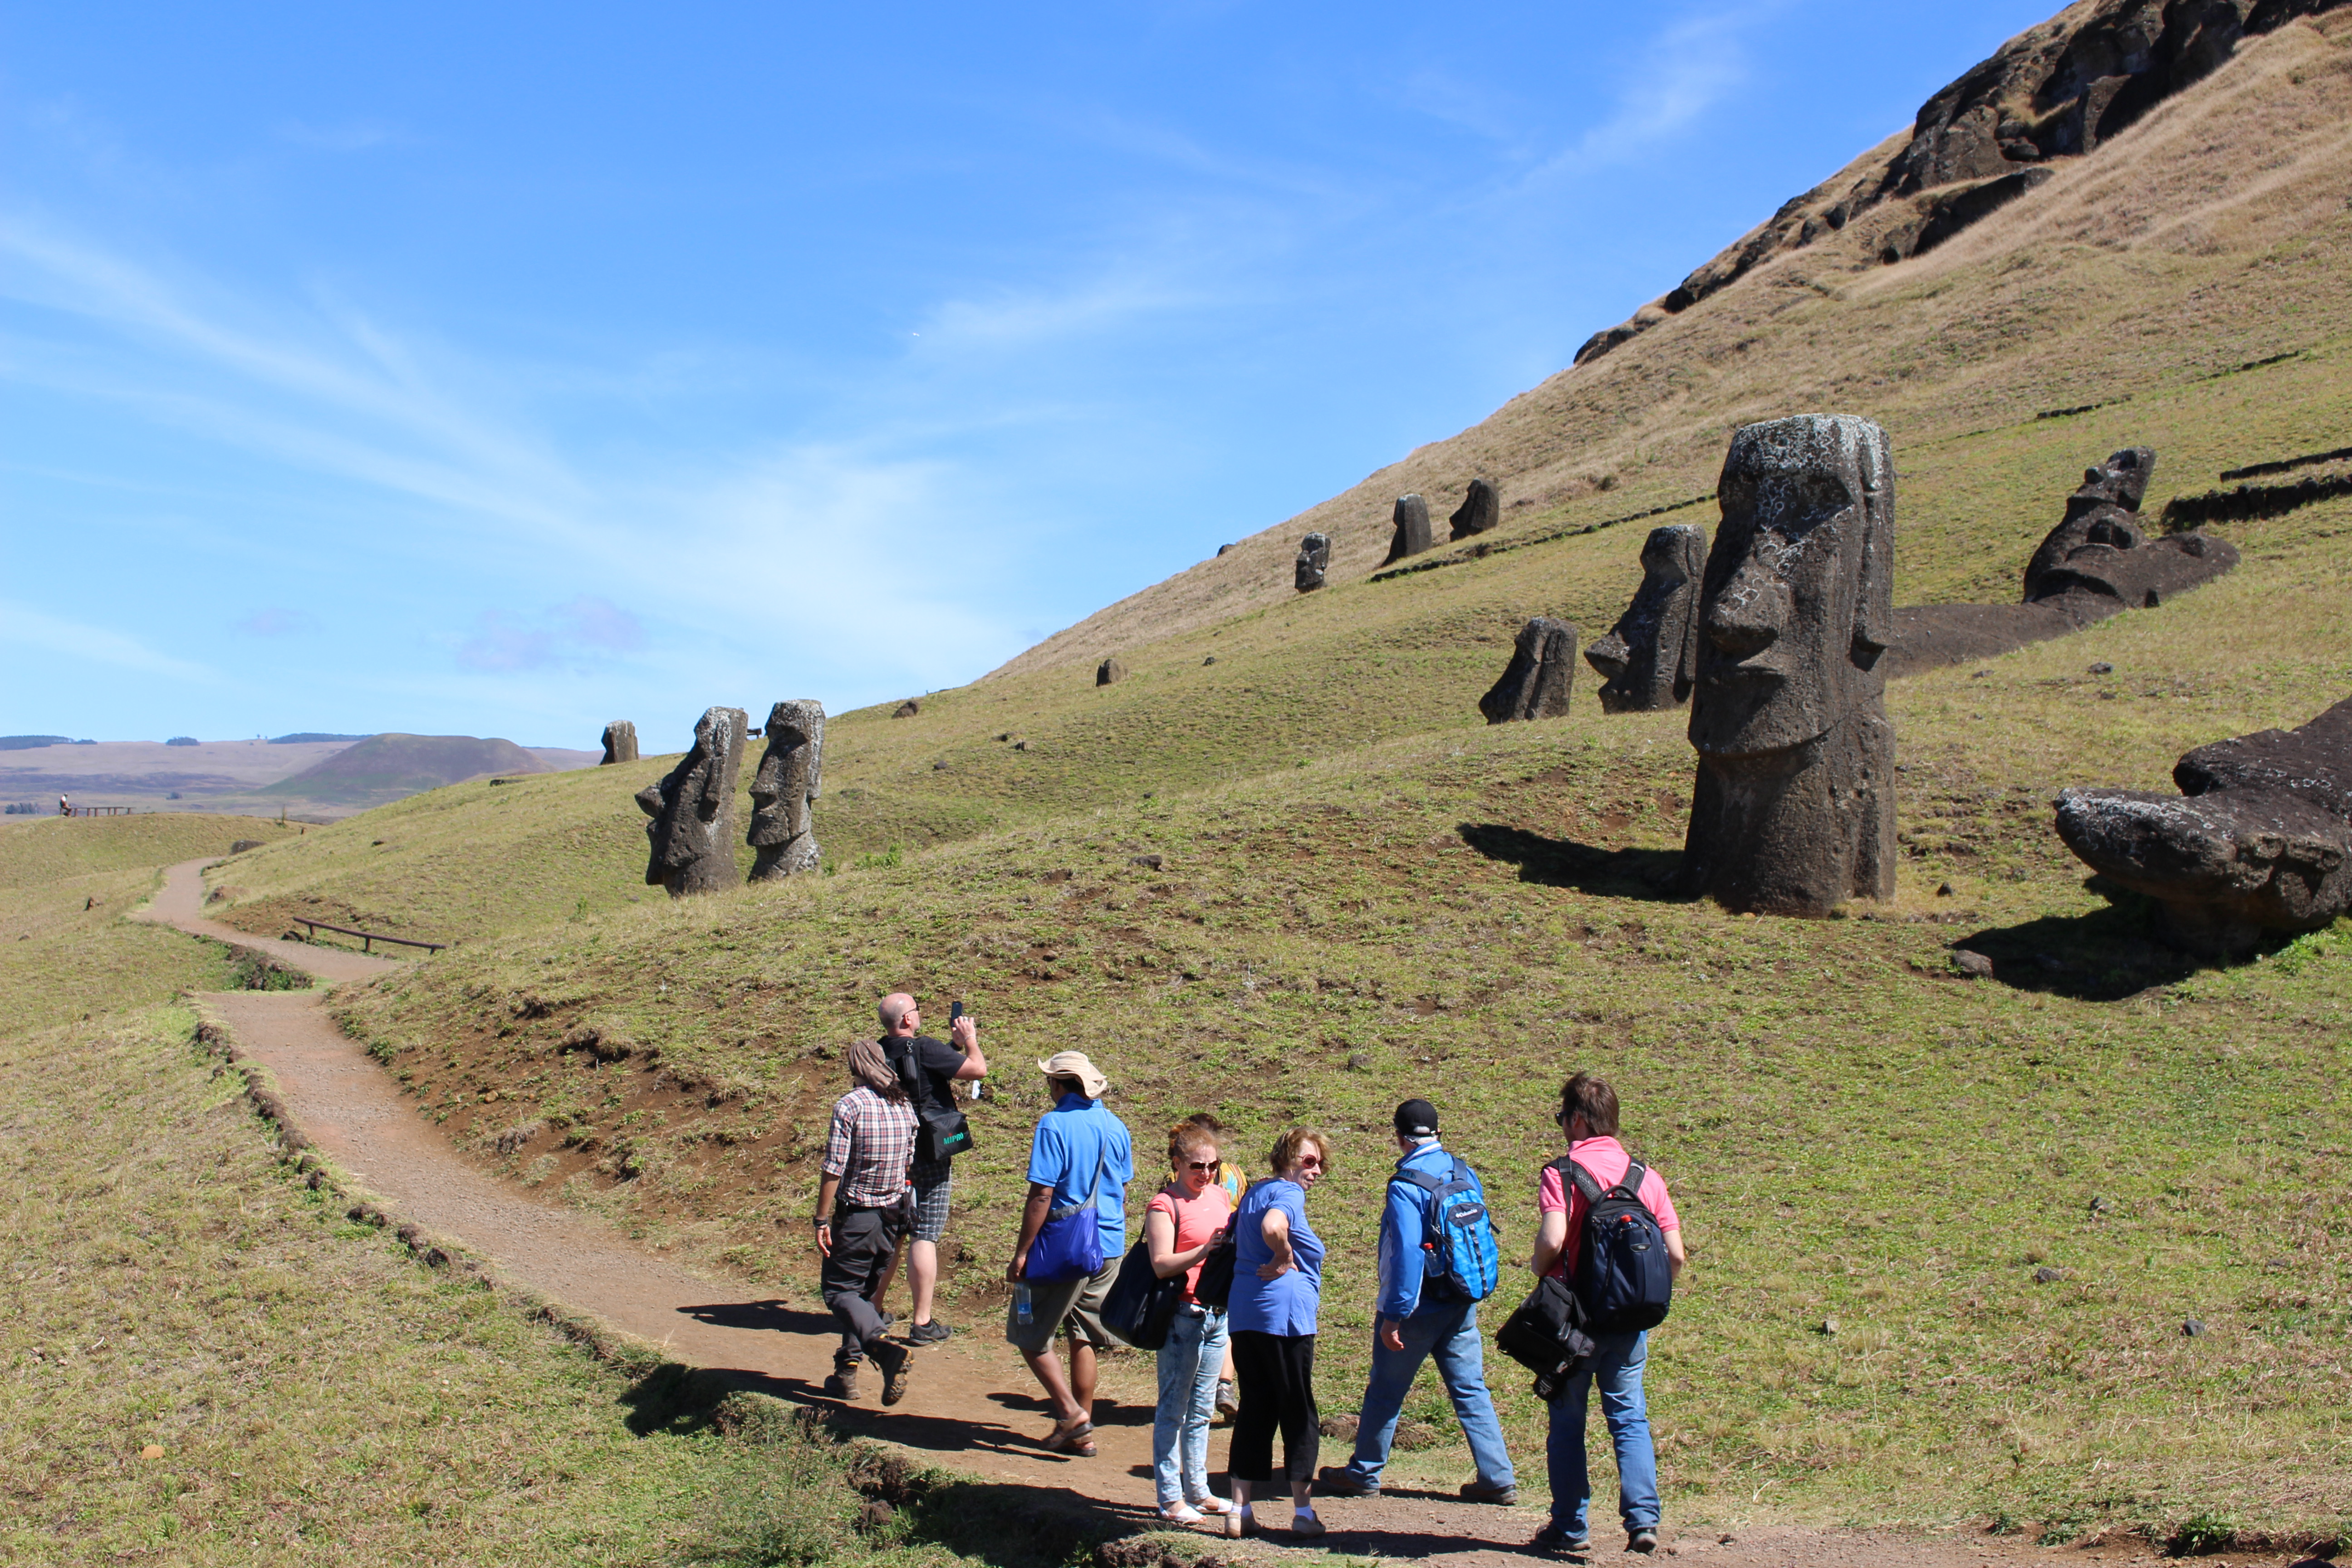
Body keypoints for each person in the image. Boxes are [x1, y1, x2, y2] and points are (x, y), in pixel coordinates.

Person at [1320, 1098, 1516, 1504]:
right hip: (1462, 1299)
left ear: (1400, 1137)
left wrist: (1395, 1314)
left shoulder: (1407, 1184)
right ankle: (1498, 1478)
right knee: (1471, 1388)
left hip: (1420, 1306)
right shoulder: (1463, 1171)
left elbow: (1408, 1252)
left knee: (1387, 1389)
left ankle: (1363, 1473)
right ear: (1437, 1132)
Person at [1528, 1072, 1686, 1558]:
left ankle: (1570, 1526)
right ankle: (1642, 1521)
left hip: (1574, 1320)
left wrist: (1540, 1269)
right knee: (1629, 1418)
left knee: (1568, 1420)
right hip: (1628, 1322)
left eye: (1562, 1118)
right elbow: (1676, 1255)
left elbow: (1554, 1240)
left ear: (1577, 1119)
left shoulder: (1562, 1172)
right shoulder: (1645, 1176)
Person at [1005, 1050, 1133, 1456]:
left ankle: (1070, 1414)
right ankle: (1083, 1431)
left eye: (1051, 1081)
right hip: (1109, 1245)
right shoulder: (1116, 1126)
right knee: (1083, 1338)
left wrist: (1023, 1252)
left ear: (1061, 1085)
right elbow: (1122, 1187)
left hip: (1066, 1248)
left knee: (1028, 1334)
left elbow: (1042, 1194)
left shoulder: (1054, 1124)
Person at [1223, 1126, 1329, 1540]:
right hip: (1285, 1319)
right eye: (1308, 1160)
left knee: (1255, 1407)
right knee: (1298, 1410)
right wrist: (1285, 1254)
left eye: (1321, 1162)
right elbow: (1273, 1227)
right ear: (1286, 1159)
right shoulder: (1287, 1193)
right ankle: (1303, 1513)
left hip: (1246, 1314)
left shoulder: (1254, 1192)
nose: (1316, 1169)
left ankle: (1239, 1509)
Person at [868, 992, 987, 1344]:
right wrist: (970, 1041)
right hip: (930, 1153)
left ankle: (873, 1308)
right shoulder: (923, 1047)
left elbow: (922, 1076)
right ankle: (922, 1323)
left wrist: (949, 1049)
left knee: (894, 1233)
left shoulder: (875, 1052)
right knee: (925, 1234)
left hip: (891, 1151)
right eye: (917, 1011)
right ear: (907, 1020)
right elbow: (977, 1070)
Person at [811, 1037, 918, 1406]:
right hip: (894, 1214)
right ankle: (846, 1373)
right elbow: (908, 1162)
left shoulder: (850, 1106)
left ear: (854, 1068)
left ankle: (885, 1349)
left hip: (858, 1216)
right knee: (865, 1296)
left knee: (839, 1292)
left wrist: (821, 1218)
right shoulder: (904, 1105)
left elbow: (833, 1168)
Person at [1144, 1118, 1239, 1524]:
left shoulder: (1221, 1197)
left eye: (1213, 1166)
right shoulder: (1164, 1204)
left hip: (1218, 1314)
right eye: (1198, 1166)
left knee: (1202, 1408)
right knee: (1173, 1407)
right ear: (1178, 1164)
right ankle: (1170, 1497)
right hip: (1183, 1314)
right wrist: (1203, 1250)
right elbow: (1162, 1265)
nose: (1206, 1174)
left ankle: (1198, 1490)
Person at [1181, 1111, 1247, 1422]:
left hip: (1193, 1262)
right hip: (1229, 1259)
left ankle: (1199, 1389)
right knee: (1226, 1320)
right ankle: (1224, 1384)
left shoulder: (1178, 1177)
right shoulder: (1235, 1174)